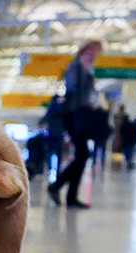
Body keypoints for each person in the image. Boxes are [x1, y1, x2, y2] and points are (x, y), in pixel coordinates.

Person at [47, 39, 103, 209]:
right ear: (84, 50)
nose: (94, 55)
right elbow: (73, 89)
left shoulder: (88, 69)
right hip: (74, 115)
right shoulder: (76, 66)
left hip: (81, 115)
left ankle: (70, 196)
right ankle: (57, 187)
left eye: (97, 52)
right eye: (92, 51)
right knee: (83, 153)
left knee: (83, 154)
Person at [44, 94, 66, 176]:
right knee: (59, 153)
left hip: (52, 134)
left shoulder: (52, 108)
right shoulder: (62, 108)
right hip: (60, 134)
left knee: (50, 152)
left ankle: (50, 168)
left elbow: (46, 117)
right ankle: (58, 169)